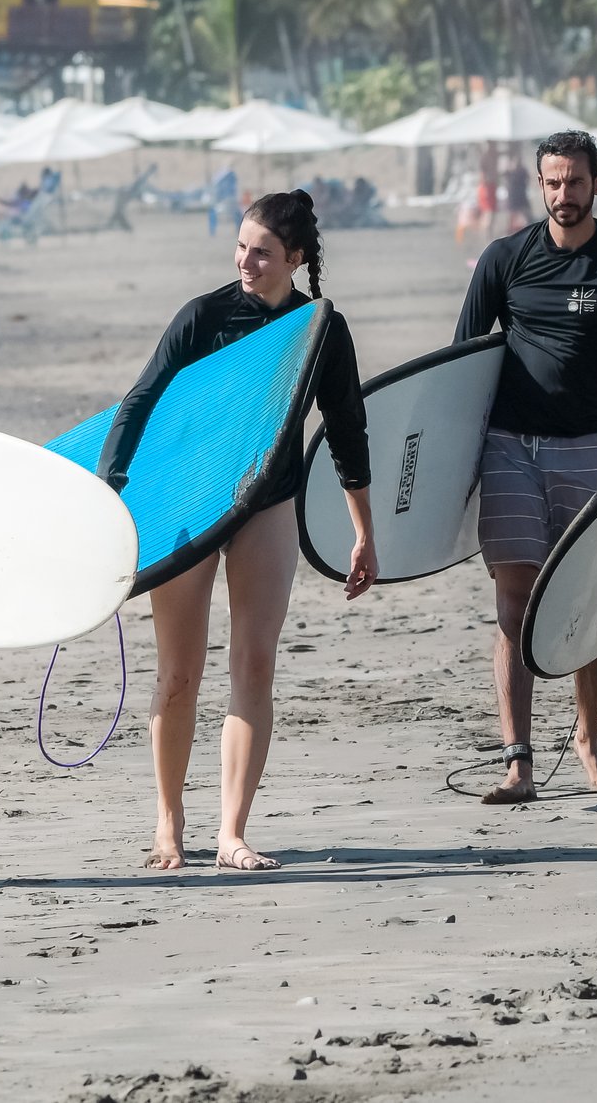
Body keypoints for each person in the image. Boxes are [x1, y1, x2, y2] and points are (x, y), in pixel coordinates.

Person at [103, 190, 376, 872]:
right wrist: (110, 485)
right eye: (242, 246)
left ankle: (232, 832)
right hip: (191, 501)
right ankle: (169, 824)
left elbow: (347, 430)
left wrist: (363, 531)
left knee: (254, 662)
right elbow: (142, 397)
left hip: (268, 500)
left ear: (296, 258)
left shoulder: (319, 330)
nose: (246, 261)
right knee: (179, 673)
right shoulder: (204, 316)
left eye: (262, 252)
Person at [453, 130, 597, 804]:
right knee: (514, 599)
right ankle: (518, 758)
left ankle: (587, 735)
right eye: (552, 182)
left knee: (587, 597)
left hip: (589, 445)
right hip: (509, 445)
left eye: (575, 181)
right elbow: (460, 361)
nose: (563, 194)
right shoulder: (506, 258)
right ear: (539, 184)